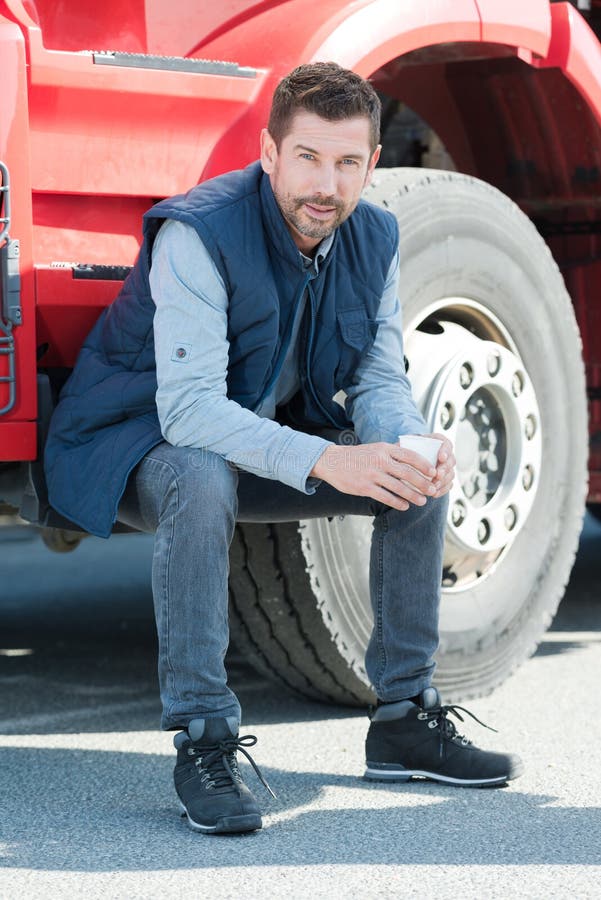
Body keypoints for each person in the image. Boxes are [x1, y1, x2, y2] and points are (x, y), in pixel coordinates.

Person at [44, 62, 522, 836]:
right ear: (269, 153)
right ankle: (204, 739)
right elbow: (192, 411)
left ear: (371, 164)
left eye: (345, 163)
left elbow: (375, 371)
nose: (323, 185)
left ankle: (402, 717)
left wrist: (404, 442)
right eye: (306, 158)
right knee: (198, 476)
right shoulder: (198, 233)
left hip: (254, 442)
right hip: (130, 443)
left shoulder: (374, 232)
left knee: (413, 475)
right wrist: (327, 459)